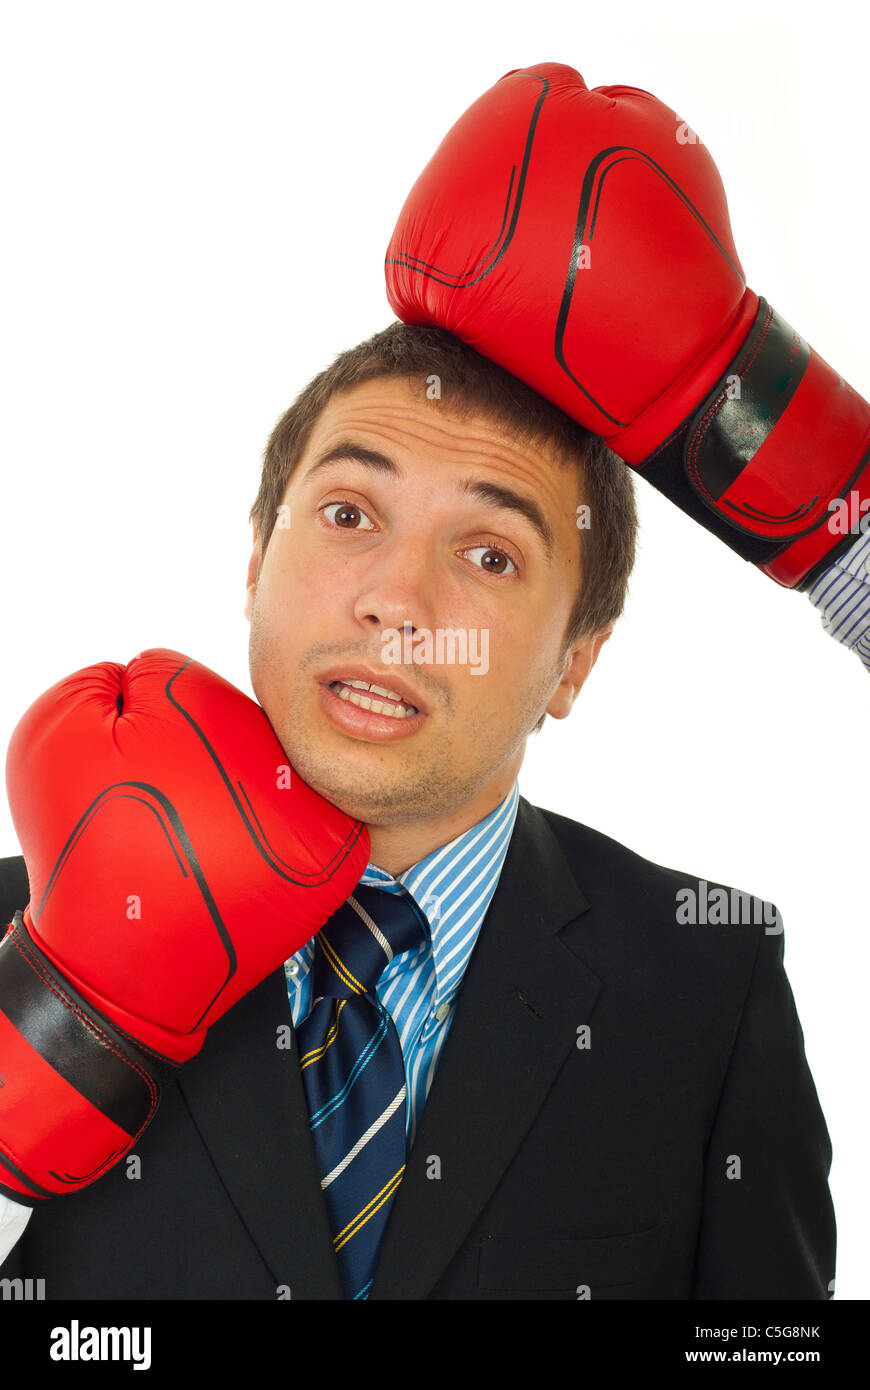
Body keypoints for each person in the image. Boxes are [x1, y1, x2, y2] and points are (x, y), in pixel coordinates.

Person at [0, 321, 853, 1299]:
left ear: (575, 662)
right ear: (254, 563)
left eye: (489, 555)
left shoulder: (707, 981)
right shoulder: (16, 938)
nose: (397, 602)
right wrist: (43, 1043)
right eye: (351, 514)